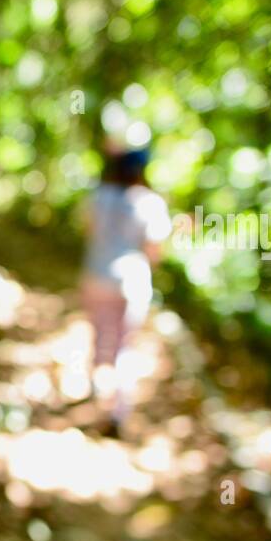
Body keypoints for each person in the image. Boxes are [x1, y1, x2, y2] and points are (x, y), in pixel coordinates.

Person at [80, 144, 170, 436]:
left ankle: (94, 388)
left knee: (99, 334)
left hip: (96, 276)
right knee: (124, 346)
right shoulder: (151, 203)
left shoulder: (99, 196)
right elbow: (154, 250)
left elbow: (88, 230)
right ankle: (119, 411)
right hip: (131, 282)